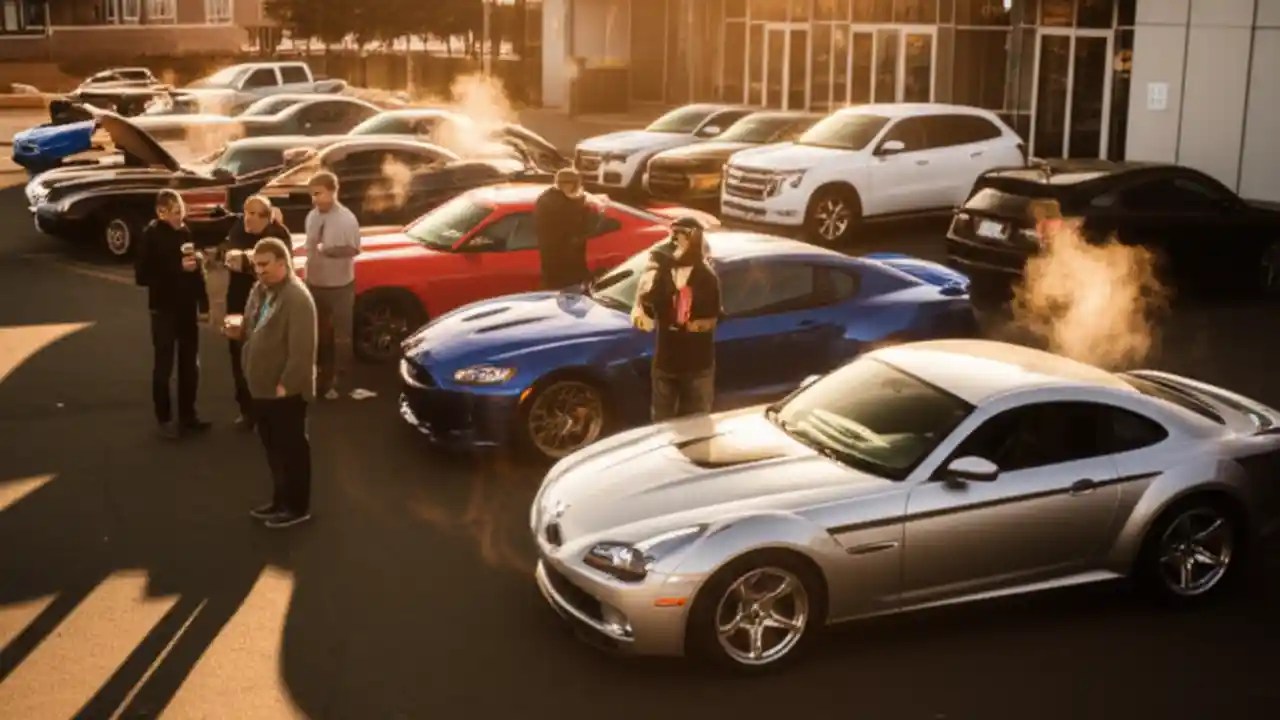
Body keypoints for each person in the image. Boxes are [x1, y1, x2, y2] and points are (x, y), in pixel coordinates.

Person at [223, 237, 318, 529]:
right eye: (256, 265)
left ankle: (297, 508)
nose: (259, 270)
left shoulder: (297, 298)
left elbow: (302, 350)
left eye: (265, 265)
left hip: (284, 392)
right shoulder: (261, 290)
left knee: (292, 451)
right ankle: (280, 501)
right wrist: (239, 329)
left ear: (282, 262)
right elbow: (253, 324)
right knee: (273, 451)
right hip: (261, 388)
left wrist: (285, 385)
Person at [134, 189, 212, 440]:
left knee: (191, 365)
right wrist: (176, 268)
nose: (182, 216)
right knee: (164, 365)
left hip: (186, 309)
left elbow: (195, 272)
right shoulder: (150, 236)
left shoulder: (185, 232)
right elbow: (142, 276)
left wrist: (204, 304)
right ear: (161, 212)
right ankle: (165, 419)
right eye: (177, 212)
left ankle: (188, 416)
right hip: (163, 309)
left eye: (183, 211)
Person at [631, 217, 722, 421]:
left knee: (695, 423)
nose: (675, 241)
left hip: (696, 364)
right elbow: (648, 303)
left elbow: (715, 317)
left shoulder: (706, 277)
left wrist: (695, 326)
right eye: (674, 235)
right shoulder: (663, 272)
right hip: (666, 362)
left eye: (681, 236)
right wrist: (644, 300)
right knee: (661, 422)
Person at [221, 195, 292, 430]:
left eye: (252, 214)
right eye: (245, 212)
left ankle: (271, 410)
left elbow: (280, 270)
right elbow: (226, 250)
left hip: (268, 307)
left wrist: (248, 261)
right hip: (239, 303)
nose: (246, 218)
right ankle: (247, 411)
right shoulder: (238, 230)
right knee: (239, 358)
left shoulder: (278, 236)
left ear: (266, 217)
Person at [302, 170, 361, 400]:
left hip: (339, 287)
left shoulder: (346, 219)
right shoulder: (312, 216)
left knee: (340, 335)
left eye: (319, 193)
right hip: (315, 283)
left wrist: (329, 250)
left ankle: (340, 379)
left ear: (333, 192)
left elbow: (354, 249)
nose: (314, 198)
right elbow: (309, 245)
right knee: (317, 333)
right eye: (312, 194)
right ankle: (319, 375)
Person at [534, 168, 605, 290]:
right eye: (577, 185)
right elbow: (575, 218)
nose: (579, 189)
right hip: (564, 266)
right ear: (569, 184)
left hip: (554, 265)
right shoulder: (560, 204)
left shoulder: (547, 198)